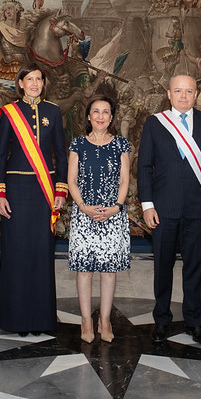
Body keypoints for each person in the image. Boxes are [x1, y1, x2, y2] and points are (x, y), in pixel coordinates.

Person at [138, 74, 201, 345]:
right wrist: (147, 205)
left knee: (194, 268)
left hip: (198, 210)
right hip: (163, 210)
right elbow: (144, 167)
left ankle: (194, 321)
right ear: (168, 93)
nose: (184, 96)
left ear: (196, 93)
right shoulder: (155, 123)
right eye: (178, 91)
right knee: (163, 268)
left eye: (189, 91)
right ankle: (162, 321)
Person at [0, 63, 68, 335]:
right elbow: (0, 155)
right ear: (20, 83)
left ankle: (39, 319)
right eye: (30, 79)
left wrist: (61, 190)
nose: (35, 83)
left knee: (40, 253)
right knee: (16, 252)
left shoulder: (53, 111)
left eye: (39, 79)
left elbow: (61, 152)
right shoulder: (10, 112)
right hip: (16, 189)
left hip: (44, 190)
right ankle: (16, 320)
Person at [67, 95, 131, 343]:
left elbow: (125, 180)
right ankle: (86, 321)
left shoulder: (121, 145)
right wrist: (83, 206)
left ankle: (104, 320)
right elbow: (72, 180)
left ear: (112, 117)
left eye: (106, 112)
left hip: (113, 215)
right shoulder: (78, 144)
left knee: (108, 270)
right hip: (85, 215)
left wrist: (117, 206)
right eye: (96, 112)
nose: (101, 116)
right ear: (88, 116)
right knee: (84, 270)